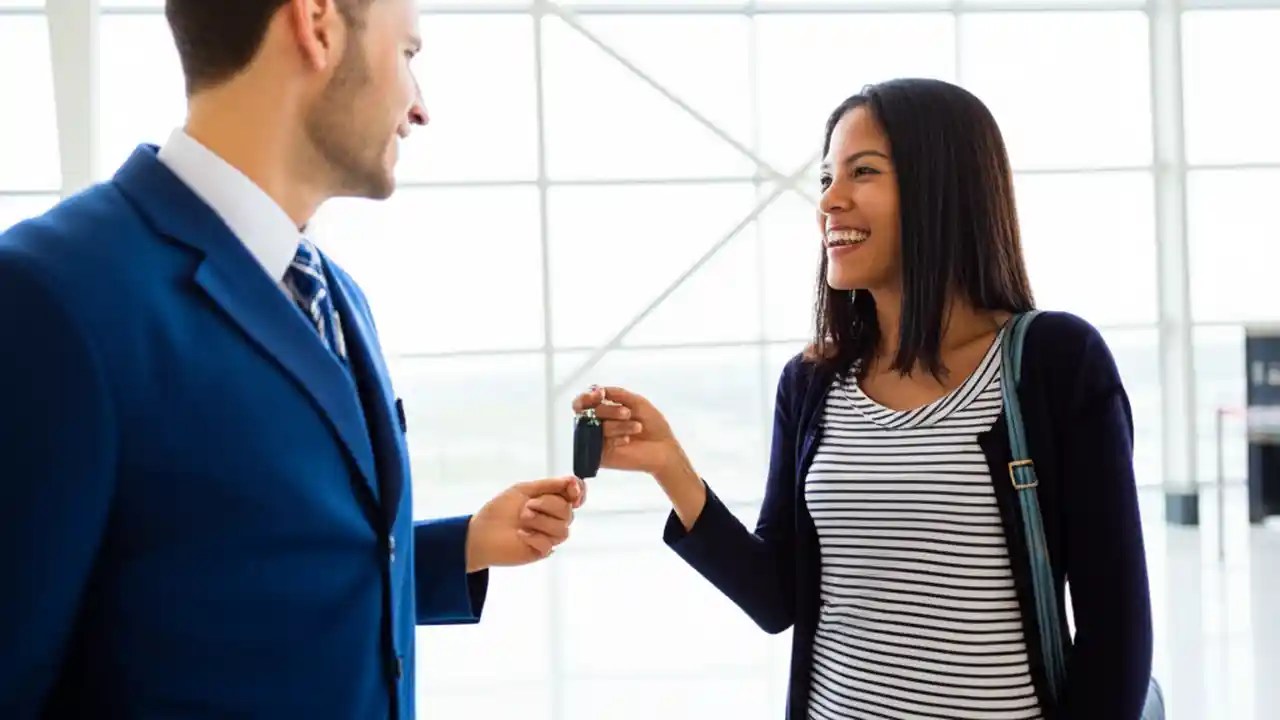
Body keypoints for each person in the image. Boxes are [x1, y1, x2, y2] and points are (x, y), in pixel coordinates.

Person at [0, 0, 582, 717]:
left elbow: (250, 570)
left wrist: (464, 544)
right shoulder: (49, 296)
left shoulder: (337, 295)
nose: (419, 109)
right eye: (407, 55)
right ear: (316, 24)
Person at [574, 78, 1154, 719]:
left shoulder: (1054, 363)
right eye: (826, 178)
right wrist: (670, 468)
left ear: (943, 187)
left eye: (863, 172)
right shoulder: (813, 383)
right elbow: (775, 598)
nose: (830, 201)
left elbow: (1116, 634)